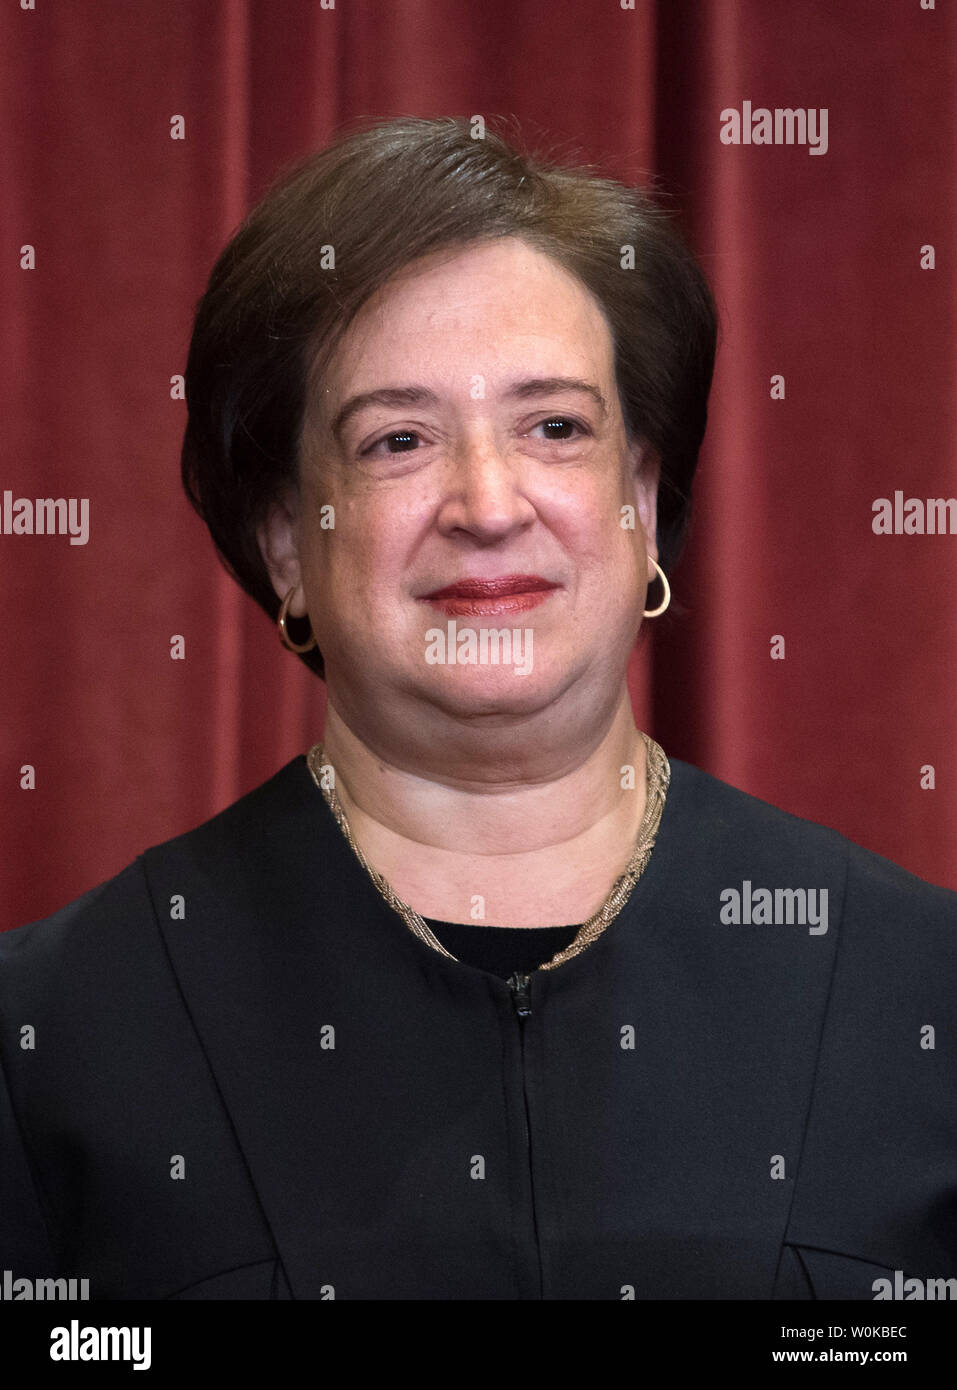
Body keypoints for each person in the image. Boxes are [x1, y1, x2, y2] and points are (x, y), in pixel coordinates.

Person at [2, 117, 955, 1302]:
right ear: (288, 541)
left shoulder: (918, 990)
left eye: (555, 427)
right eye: (397, 440)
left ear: (643, 500)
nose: (488, 503)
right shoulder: (56, 1033)